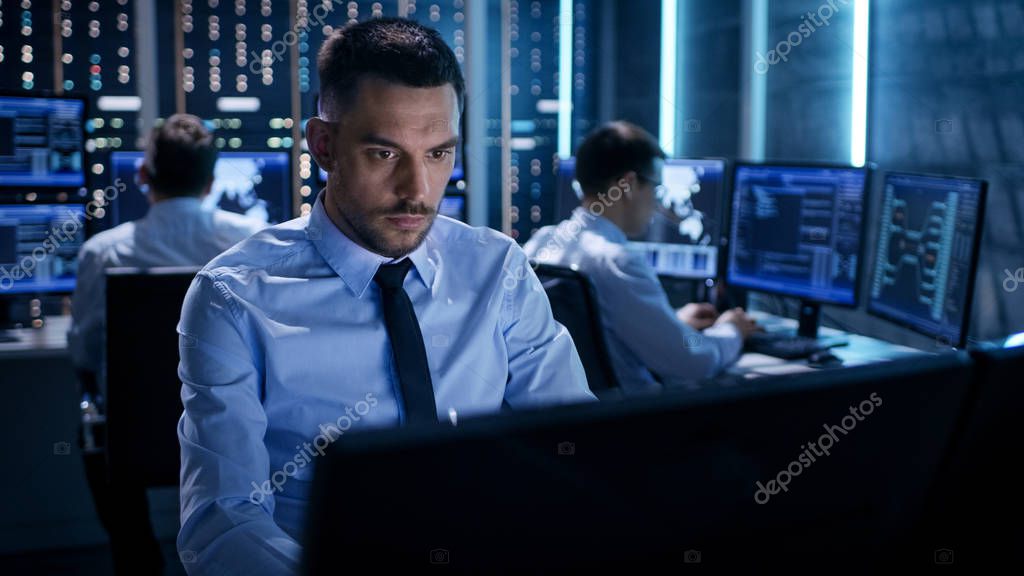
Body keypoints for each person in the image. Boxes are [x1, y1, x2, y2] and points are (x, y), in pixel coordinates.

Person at [176, 18, 595, 575]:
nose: (417, 192)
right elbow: (223, 520)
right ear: (324, 145)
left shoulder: (497, 269)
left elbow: (576, 445)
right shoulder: (234, 297)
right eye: (384, 154)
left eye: (439, 154)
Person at [67, 113, 265, 575]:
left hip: (136, 438)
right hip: (232, 428)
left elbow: (83, 355)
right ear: (212, 180)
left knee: (96, 433)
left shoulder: (103, 253)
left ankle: (137, 561)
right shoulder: (250, 242)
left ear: (142, 175)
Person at [524, 121, 758, 394]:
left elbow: (599, 335)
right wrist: (731, 331)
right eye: (656, 187)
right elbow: (693, 363)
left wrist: (673, 323)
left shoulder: (542, 242)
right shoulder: (618, 262)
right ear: (629, 185)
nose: (657, 204)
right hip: (634, 422)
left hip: (576, 418)